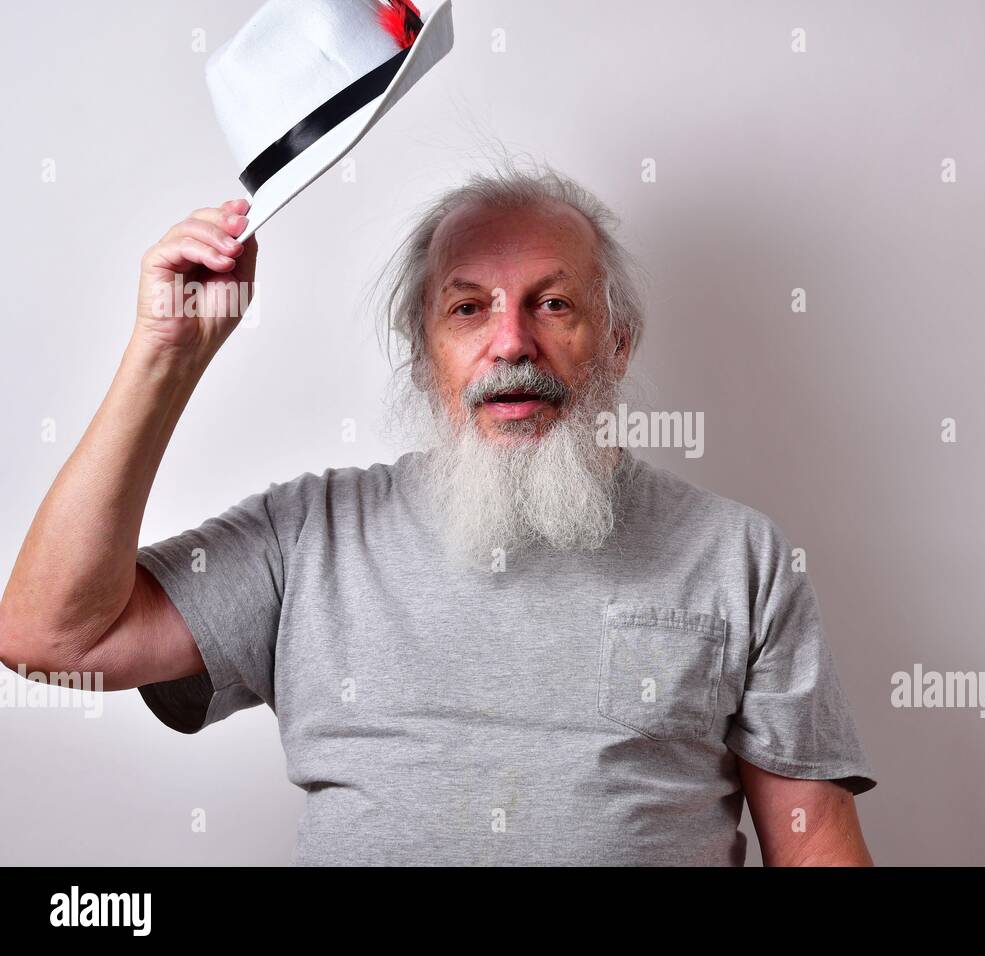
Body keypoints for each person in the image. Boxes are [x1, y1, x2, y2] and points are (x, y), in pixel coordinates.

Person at [0, 162, 878, 866]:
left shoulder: (737, 553)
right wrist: (166, 356)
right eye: (469, 308)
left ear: (616, 343)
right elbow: (51, 637)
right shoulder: (311, 534)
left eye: (554, 303)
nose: (511, 343)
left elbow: (815, 847)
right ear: (425, 353)